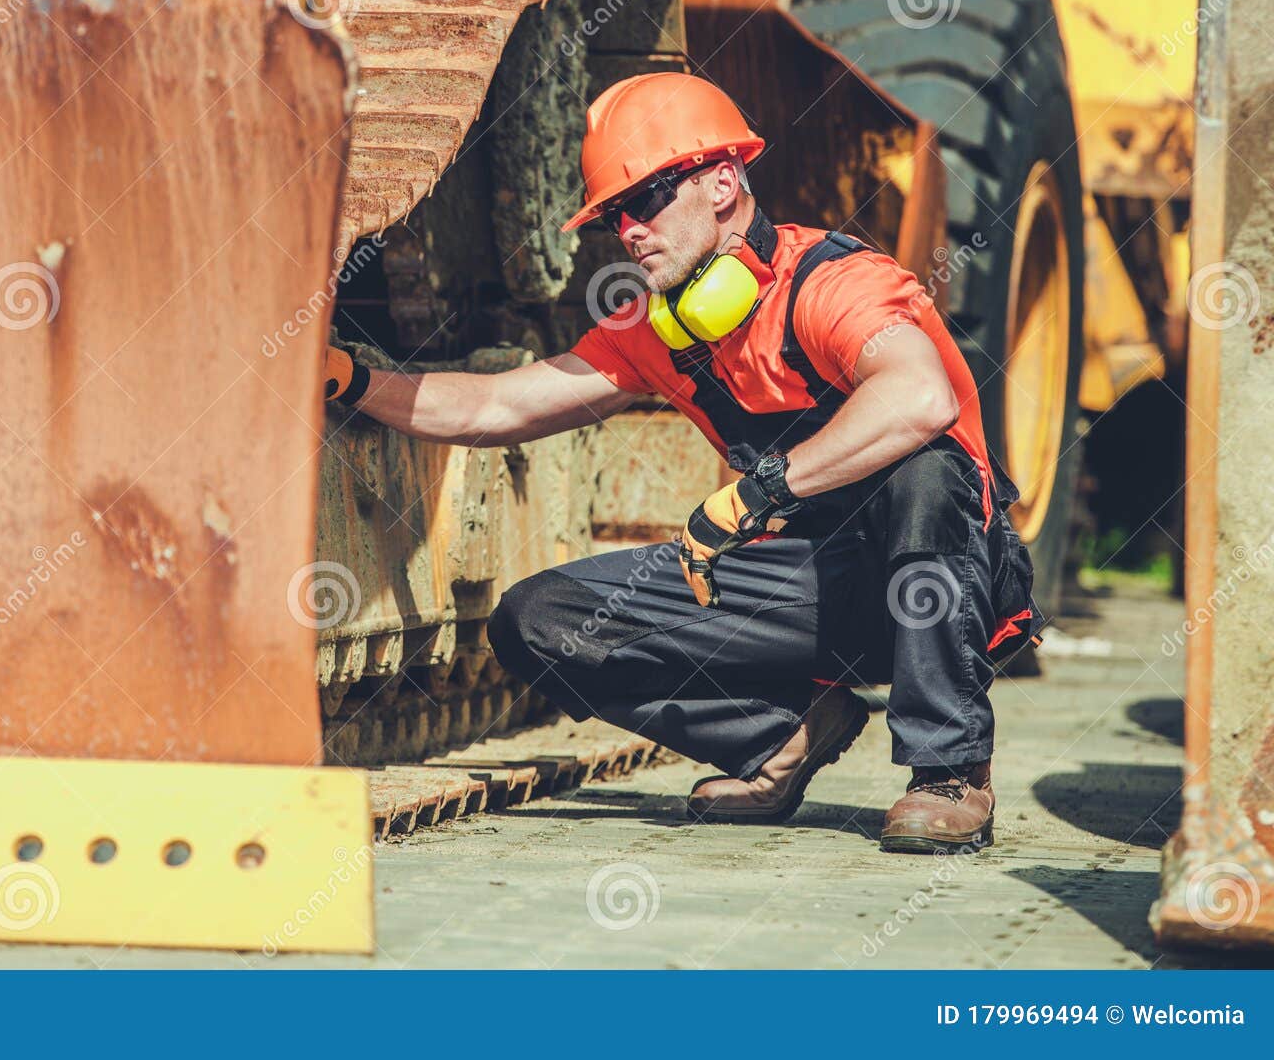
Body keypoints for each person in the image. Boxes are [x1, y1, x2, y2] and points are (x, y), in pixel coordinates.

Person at [322, 72, 1041, 853]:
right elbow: (499, 407)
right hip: (817, 592)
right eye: (616, 215)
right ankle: (784, 735)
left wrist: (757, 491)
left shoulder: (832, 284)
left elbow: (919, 395)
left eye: (649, 198)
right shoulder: (662, 332)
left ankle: (950, 771)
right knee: (538, 621)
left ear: (724, 183)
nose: (630, 230)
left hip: (948, 578)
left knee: (921, 473)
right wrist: (352, 379)